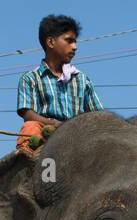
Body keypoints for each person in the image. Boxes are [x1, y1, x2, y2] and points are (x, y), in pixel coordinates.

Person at [15, 15, 103, 153]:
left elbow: (99, 115)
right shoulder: (30, 78)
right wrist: (54, 124)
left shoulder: (82, 80)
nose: (75, 47)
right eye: (69, 41)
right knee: (30, 127)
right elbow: (28, 114)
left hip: (77, 134)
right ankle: (25, 165)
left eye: (75, 42)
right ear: (50, 42)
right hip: (45, 131)